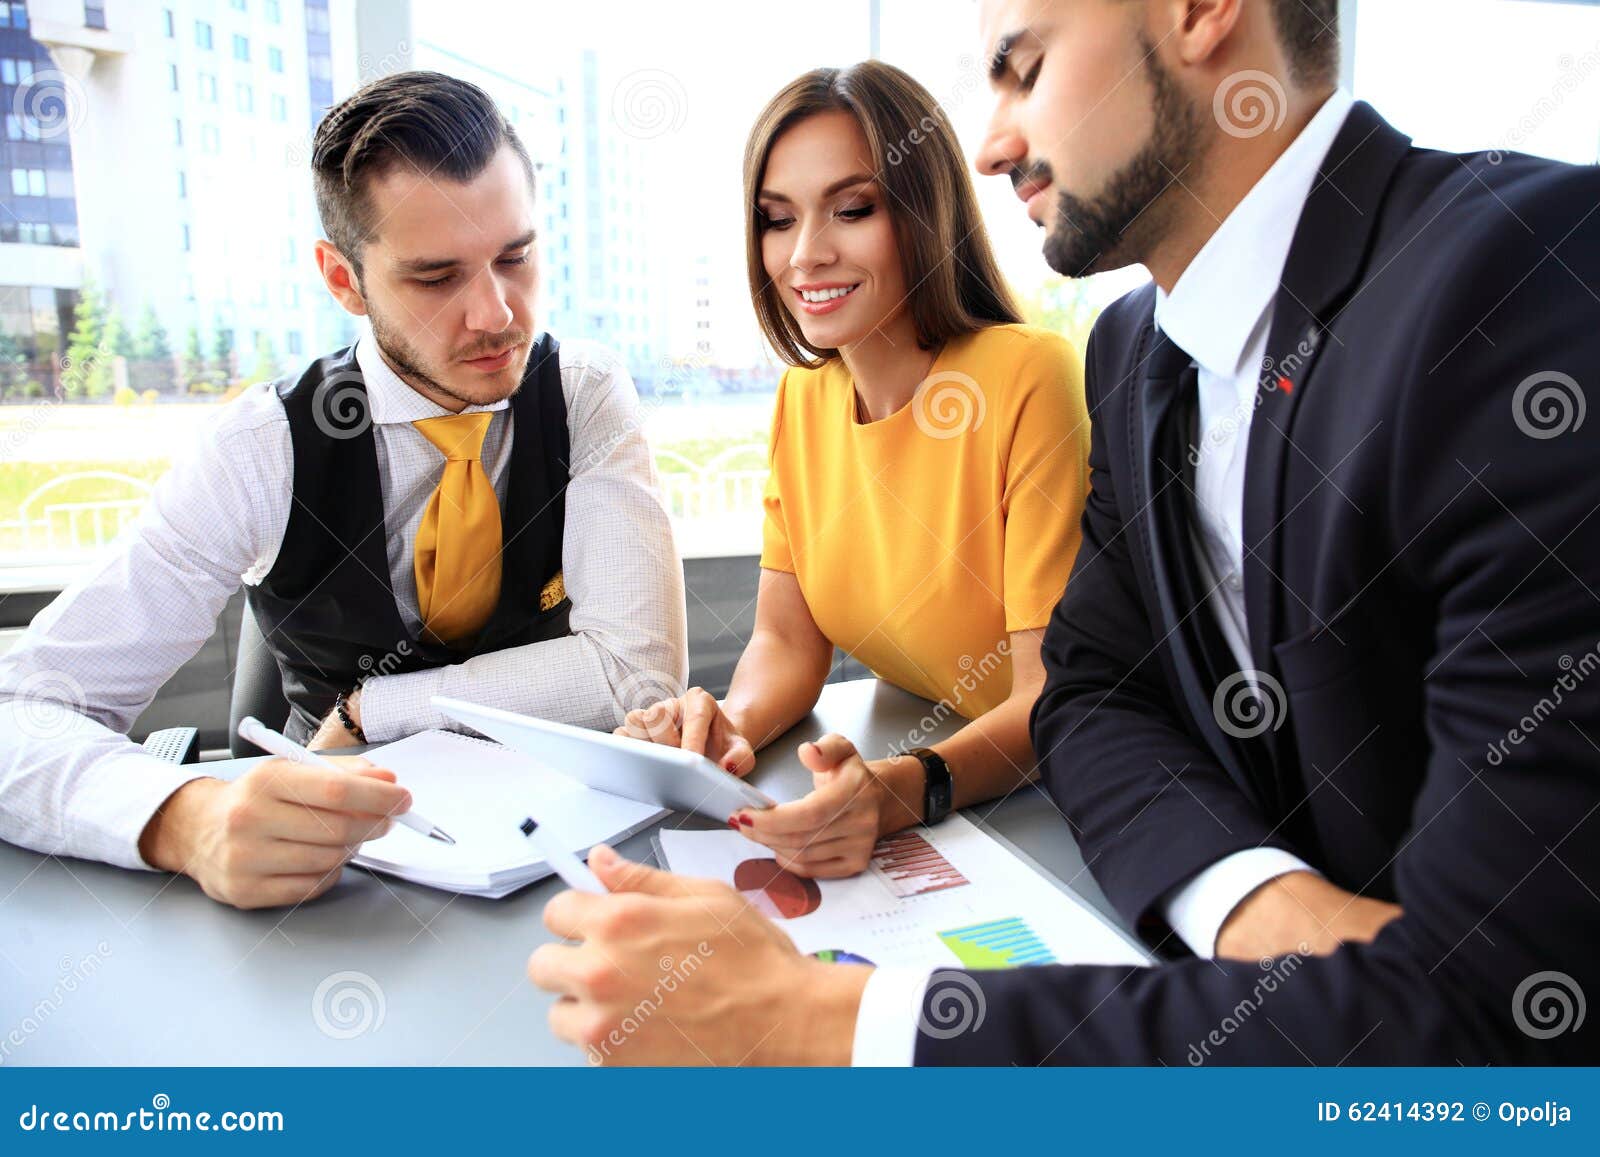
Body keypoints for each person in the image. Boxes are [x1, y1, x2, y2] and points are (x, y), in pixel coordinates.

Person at [528, 0, 1599, 1065]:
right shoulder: (1136, 353)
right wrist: (1257, 904)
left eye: (1023, 68)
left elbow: (1492, 1020)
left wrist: (820, 1022)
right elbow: (1096, 693)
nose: (990, 144)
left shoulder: (1531, 272)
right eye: (775, 214)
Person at [0, 71, 686, 910]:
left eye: (515, 256)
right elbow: (18, 710)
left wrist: (375, 707)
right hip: (330, 864)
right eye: (436, 278)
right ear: (342, 279)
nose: (497, 314)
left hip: (554, 850)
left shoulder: (581, 391)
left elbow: (635, 678)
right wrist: (183, 817)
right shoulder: (261, 450)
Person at [618, 61, 1088, 877]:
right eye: (776, 219)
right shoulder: (805, 397)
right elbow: (787, 641)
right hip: (950, 774)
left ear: (922, 213)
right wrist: (729, 726)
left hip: (1062, 798)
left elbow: (1052, 700)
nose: (805, 255)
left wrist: (901, 791)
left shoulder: (1027, 377)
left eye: (853, 209)